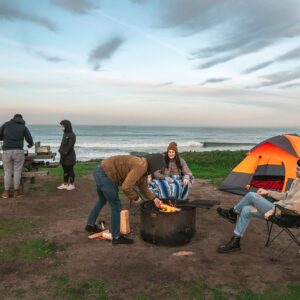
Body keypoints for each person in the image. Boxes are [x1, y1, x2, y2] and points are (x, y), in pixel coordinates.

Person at [217, 159, 300, 253]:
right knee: (246, 209)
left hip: (288, 217)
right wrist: (268, 192)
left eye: (298, 169)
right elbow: (286, 195)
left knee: (252, 196)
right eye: (296, 168)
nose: (296, 171)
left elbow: (295, 207)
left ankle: (232, 213)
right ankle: (236, 241)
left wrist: (274, 210)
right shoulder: (297, 181)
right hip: (280, 211)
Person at [85, 154, 166, 245]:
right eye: (157, 169)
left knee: (102, 200)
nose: (156, 171)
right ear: (154, 165)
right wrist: (135, 198)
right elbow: (126, 187)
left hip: (99, 170)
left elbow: (143, 186)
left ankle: (90, 225)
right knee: (116, 205)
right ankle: (116, 237)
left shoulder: (142, 166)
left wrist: (154, 199)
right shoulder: (141, 167)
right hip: (106, 175)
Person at [0, 114, 34, 198]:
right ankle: (16, 191)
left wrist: (4, 138)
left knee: (7, 172)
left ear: (13, 118)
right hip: (18, 151)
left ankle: (6, 192)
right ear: (21, 119)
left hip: (6, 151)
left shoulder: (6, 124)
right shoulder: (23, 127)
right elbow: (29, 138)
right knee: (17, 171)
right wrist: (30, 144)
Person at [57, 120, 76, 191]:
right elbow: (62, 144)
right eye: (61, 126)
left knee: (70, 170)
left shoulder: (72, 135)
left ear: (66, 126)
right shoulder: (65, 134)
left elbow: (70, 146)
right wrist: (60, 151)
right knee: (65, 170)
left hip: (70, 156)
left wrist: (64, 152)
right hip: (63, 156)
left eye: (62, 126)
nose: (62, 127)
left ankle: (71, 184)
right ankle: (65, 184)